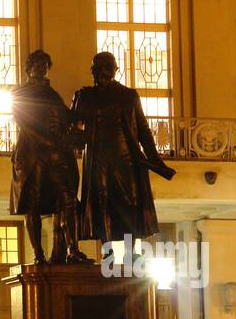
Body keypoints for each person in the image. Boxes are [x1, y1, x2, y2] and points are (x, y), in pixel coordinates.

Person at [71, 51, 176, 256]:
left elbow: (143, 130)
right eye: (99, 67)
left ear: (114, 69)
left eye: (108, 66)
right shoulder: (85, 96)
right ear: (94, 70)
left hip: (125, 156)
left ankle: (131, 250)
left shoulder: (128, 96)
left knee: (129, 200)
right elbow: (73, 127)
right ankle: (107, 249)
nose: (103, 71)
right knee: (101, 201)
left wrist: (154, 159)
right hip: (97, 156)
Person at [9, 49, 81, 263]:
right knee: (32, 204)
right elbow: (25, 124)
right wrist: (49, 142)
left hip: (57, 154)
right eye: (38, 64)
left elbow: (67, 117)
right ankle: (38, 253)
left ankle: (72, 250)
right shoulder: (19, 92)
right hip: (32, 154)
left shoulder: (52, 94)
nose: (42, 68)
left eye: (45, 65)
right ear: (29, 67)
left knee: (68, 201)